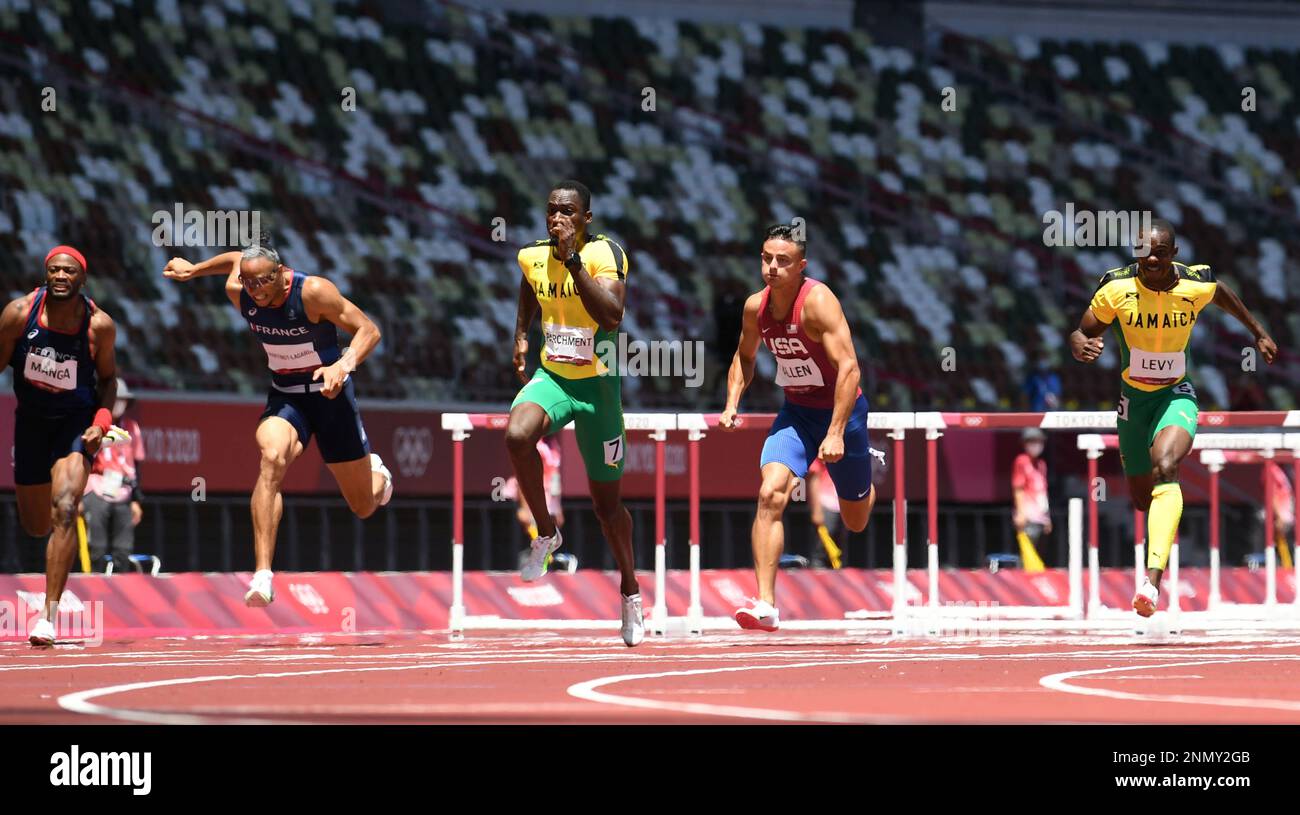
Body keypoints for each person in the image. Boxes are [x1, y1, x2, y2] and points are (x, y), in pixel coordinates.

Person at [162, 233, 392, 607]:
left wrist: (343, 365)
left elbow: (369, 329)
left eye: (262, 282)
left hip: (331, 397)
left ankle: (379, 473)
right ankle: (264, 575)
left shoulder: (313, 292)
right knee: (271, 457)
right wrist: (195, 270)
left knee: (363, 505)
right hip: (286, 397)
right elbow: (238, 257)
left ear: (282, 274)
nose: (253, 290)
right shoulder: (240, 289)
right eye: (248, 281)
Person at [1069, 218, 1276, 617]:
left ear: (1173, 255)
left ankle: (1151, 582)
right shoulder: (1116, 288)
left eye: (1160, 253)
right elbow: (1082, 330)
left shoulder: (1194, 284)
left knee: (1167, 467)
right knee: (1142, 498)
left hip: (1175, 395)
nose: (1151, 260)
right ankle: (1155, 555)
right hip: (1133, 402)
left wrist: (1258, 332)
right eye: (1144, 252)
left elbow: (1223, 294)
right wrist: (1080, 345)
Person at [720, 224, 885, 631]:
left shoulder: (819, 302)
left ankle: (865, 487)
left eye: (783, 261)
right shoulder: (755, 307)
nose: (772, 267)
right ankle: (765, 604)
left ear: (801, 266)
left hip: (842, 416)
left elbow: (849, 368)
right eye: (766, 258)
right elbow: (744, 356)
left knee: (855, 520)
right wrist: (731, 404)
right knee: (769, 493)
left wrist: (835, 431)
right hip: (796, 414)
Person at [505, 180, 642, 646]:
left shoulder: (605, 254)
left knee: (607, 508)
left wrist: (573, 261)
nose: (557, 218)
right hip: (555, 379)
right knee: (518, 435)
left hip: (599, 390)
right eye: (551, 210)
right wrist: (522, 333)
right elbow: (530, 285)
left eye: (567, 212)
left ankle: (629, 590)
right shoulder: (531, 255)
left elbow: (610, 316)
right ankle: (546, 533)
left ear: (586, 218)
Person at [0, 245, 124, 646]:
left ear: (81, 279)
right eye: (53, 269)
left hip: (76, 423)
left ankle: (48, 618)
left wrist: (101, 425)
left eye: (68, 271)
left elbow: (109, 382)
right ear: (45, 274)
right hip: (32, 423)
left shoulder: (98, 326)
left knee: (66, 507)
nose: (60, 276)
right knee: (36, 525)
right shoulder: (19, 314)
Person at [82, 378, 146, 571]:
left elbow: (136, 463)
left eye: (122, 400)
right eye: (115, 399)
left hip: (123, 489)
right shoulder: (93, 425)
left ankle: (120, 582)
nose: (118, 404)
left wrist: (136, 499)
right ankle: (96, 580)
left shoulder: (132, 427)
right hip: (97, 485)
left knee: (123, 546)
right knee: (97, 544)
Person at [501, 436, 573, 571]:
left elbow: (555, 475)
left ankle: (549, 563)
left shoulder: (553, 445)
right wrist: (524, 507)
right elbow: (524, 475)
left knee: (549, 537)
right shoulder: (533, 445)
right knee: (532, 538)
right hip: (532, 495)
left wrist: (557, 506)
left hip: (548, 497)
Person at [1011, 427, 1049, 572]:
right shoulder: (1021, 461)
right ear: (1025, 444)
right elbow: (1018, 488)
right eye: (1032, 442)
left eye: (1039, 441)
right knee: (1026, 554)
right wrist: (1020, 513)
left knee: (1038, 556)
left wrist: (1047, 517)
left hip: (1040, 517)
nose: (1036, 445)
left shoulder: (1041, 464)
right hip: (1027, 517)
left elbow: (1042, 492)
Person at [804, 458, 843, 569]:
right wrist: (817, 510)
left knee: (839, 551)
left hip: (843, 504)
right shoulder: (820, 449)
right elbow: (813, 477)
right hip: (826, 504)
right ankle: (818, 579)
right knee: (820, 552)